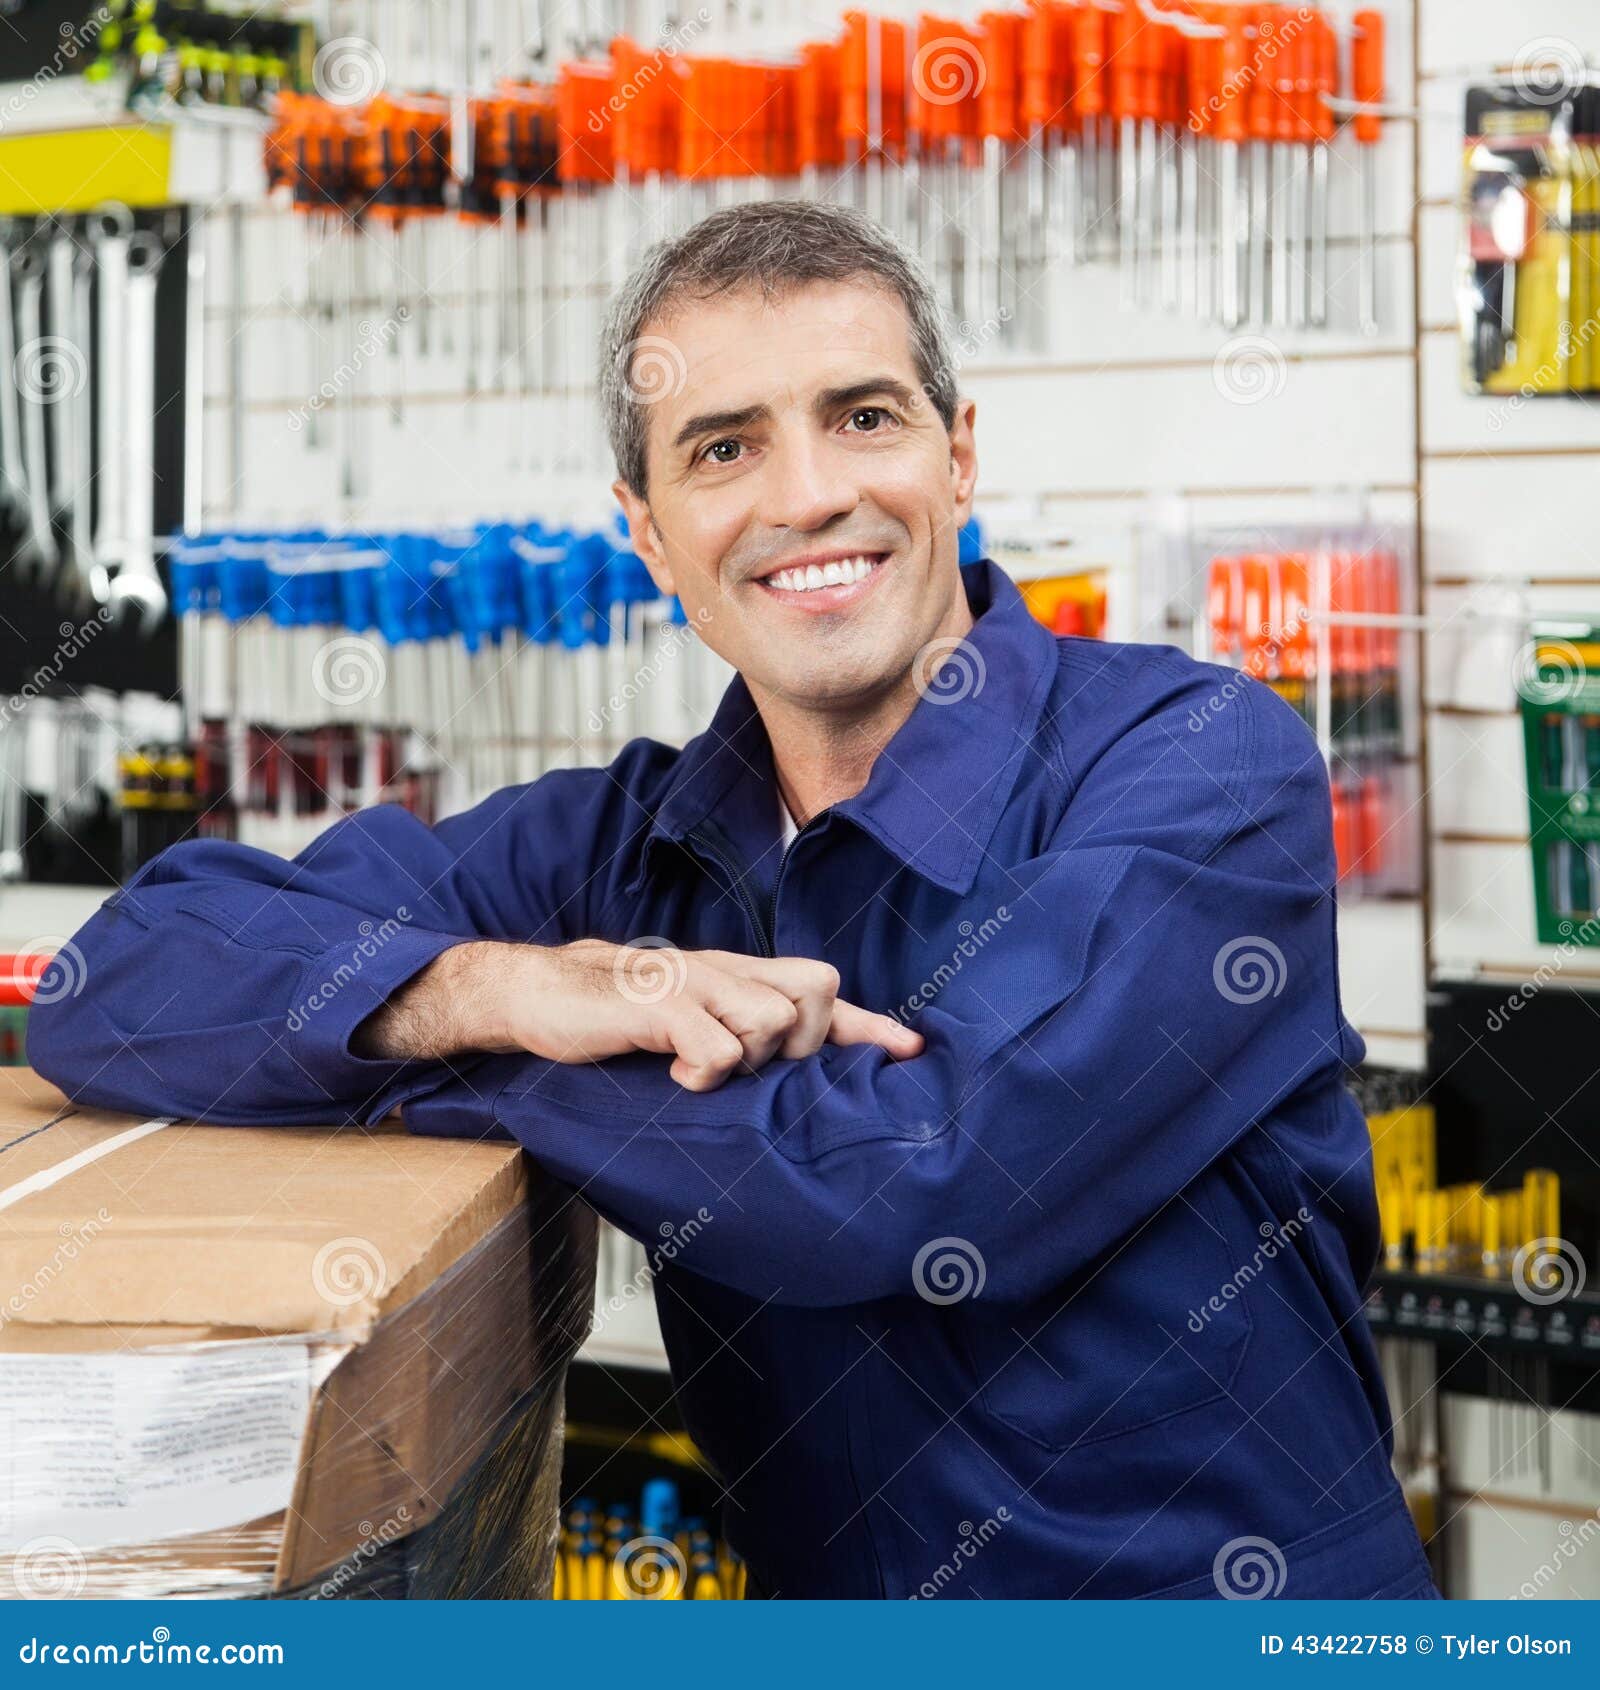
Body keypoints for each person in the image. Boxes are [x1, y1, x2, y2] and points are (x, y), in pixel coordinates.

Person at [30, 199, 1438, 1600]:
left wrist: (475, 1063)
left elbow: (931, 1168)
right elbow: (118, 980)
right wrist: (506, 986)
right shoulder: (613, 852)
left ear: (960, 458)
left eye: (865, 418)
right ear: (648, 538)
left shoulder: (1201, 760)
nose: (806, 493)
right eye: (724, 448)